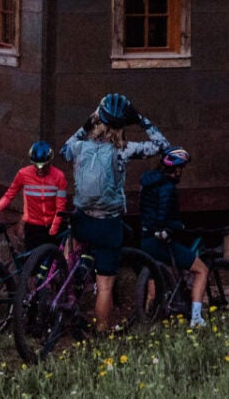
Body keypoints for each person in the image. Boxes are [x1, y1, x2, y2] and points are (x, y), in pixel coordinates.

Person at [63, 93, 168, 337]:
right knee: (105, 286)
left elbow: (63, 151)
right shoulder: (123, 150)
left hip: (82, 218)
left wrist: (86, 125)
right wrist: (141, 120)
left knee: (68, 254)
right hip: (108, 224)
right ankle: (100, 334)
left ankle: (60, 291)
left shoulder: (80, 146)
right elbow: (162, 146)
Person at [135, 147, 210, 327]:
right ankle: (197, 318)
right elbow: (164, 219)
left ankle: (148, 321)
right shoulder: (167, 187)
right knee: (202, 270)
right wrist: (178, 226)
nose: (181, 172)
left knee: (153, 282)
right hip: (160, 240)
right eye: (181, 168)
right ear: (175, 168)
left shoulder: (147, 183)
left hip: (145, 239)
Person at [0, 140, 70, 254]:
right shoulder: (23, 174)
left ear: (50, 163)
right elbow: (9, 195)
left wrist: (53, 230)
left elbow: (60, 206)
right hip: (34, 227)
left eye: (44, 166)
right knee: (32, 263)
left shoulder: (59, 177)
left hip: (53, 225)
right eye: (37, 166)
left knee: (52, 263)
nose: (40, 169)